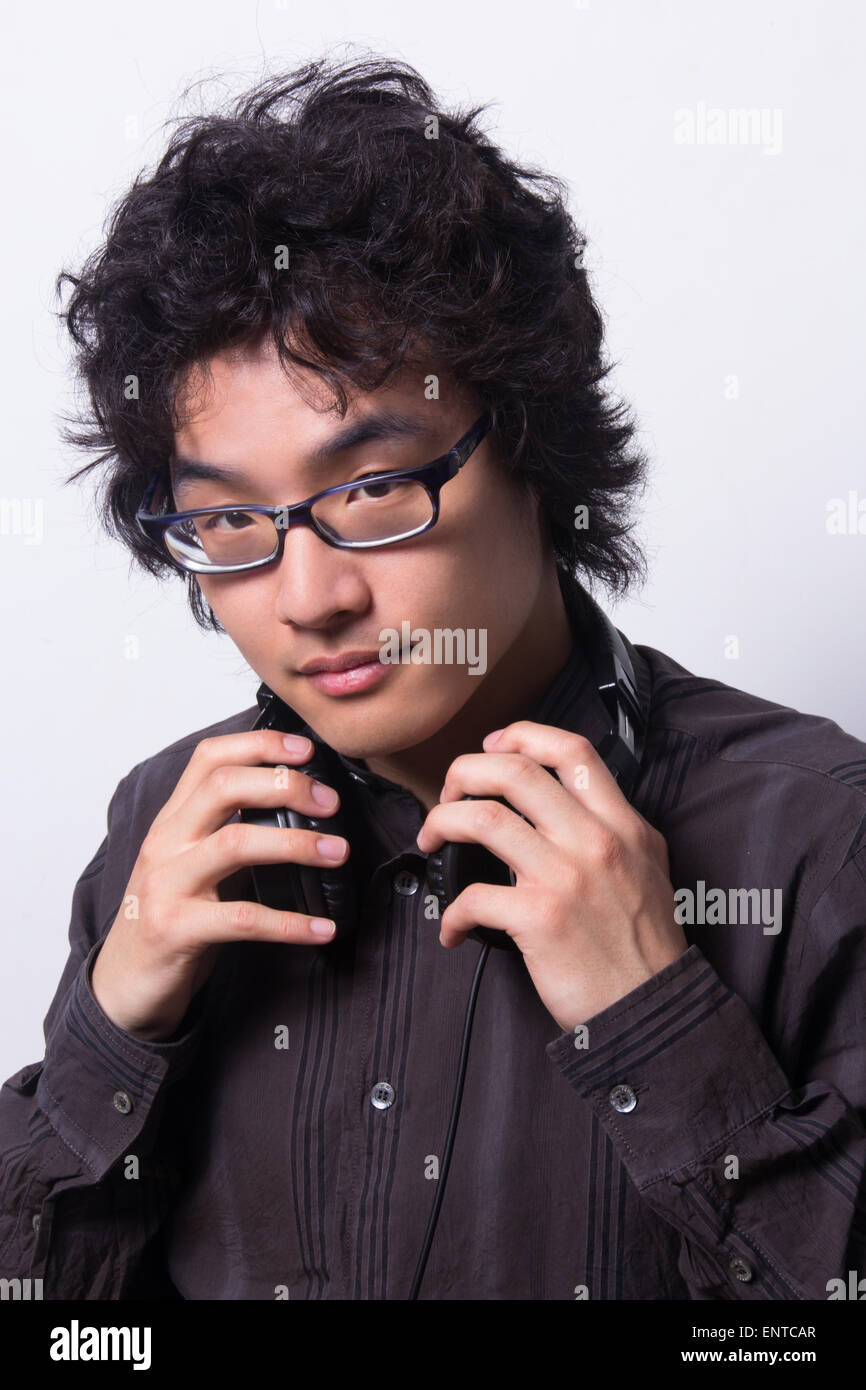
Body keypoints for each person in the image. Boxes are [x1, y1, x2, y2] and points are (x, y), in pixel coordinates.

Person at [1, 54, 864, 1302]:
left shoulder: (814, 840)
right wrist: (111, 1033)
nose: (310, 595)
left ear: (527, 443)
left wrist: (657, 1027)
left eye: (371, 490)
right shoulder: (160, 835)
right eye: (232, 523)